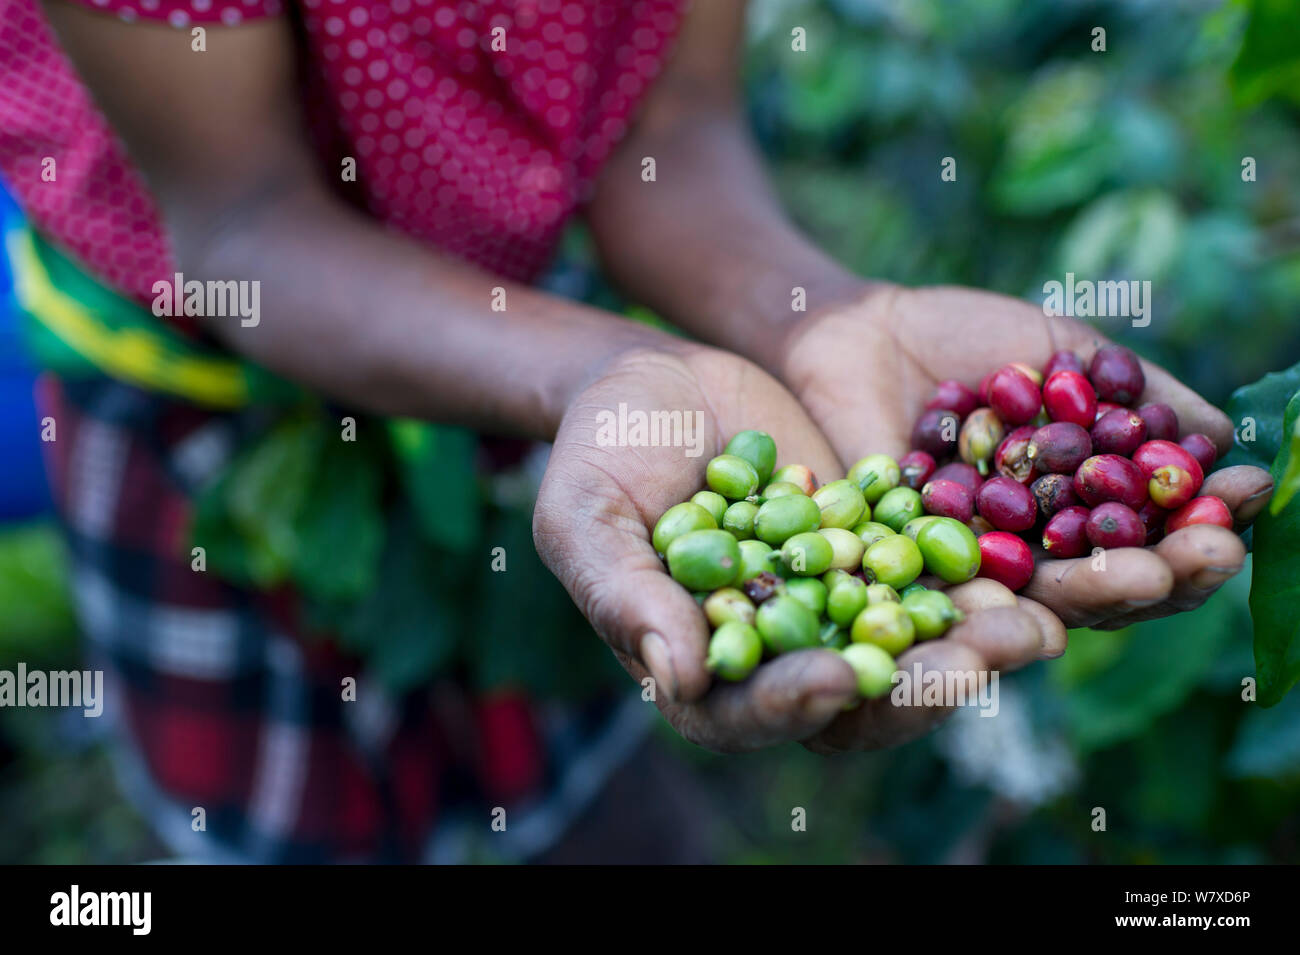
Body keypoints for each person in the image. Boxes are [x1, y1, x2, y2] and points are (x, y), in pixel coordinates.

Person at [0, 0, 1272, 861]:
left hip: (530, 338)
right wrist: (604, 370)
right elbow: (247, 222)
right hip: (207, 383)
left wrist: (825, 315)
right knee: (291, 813)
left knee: (575, 761)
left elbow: (669, 138)